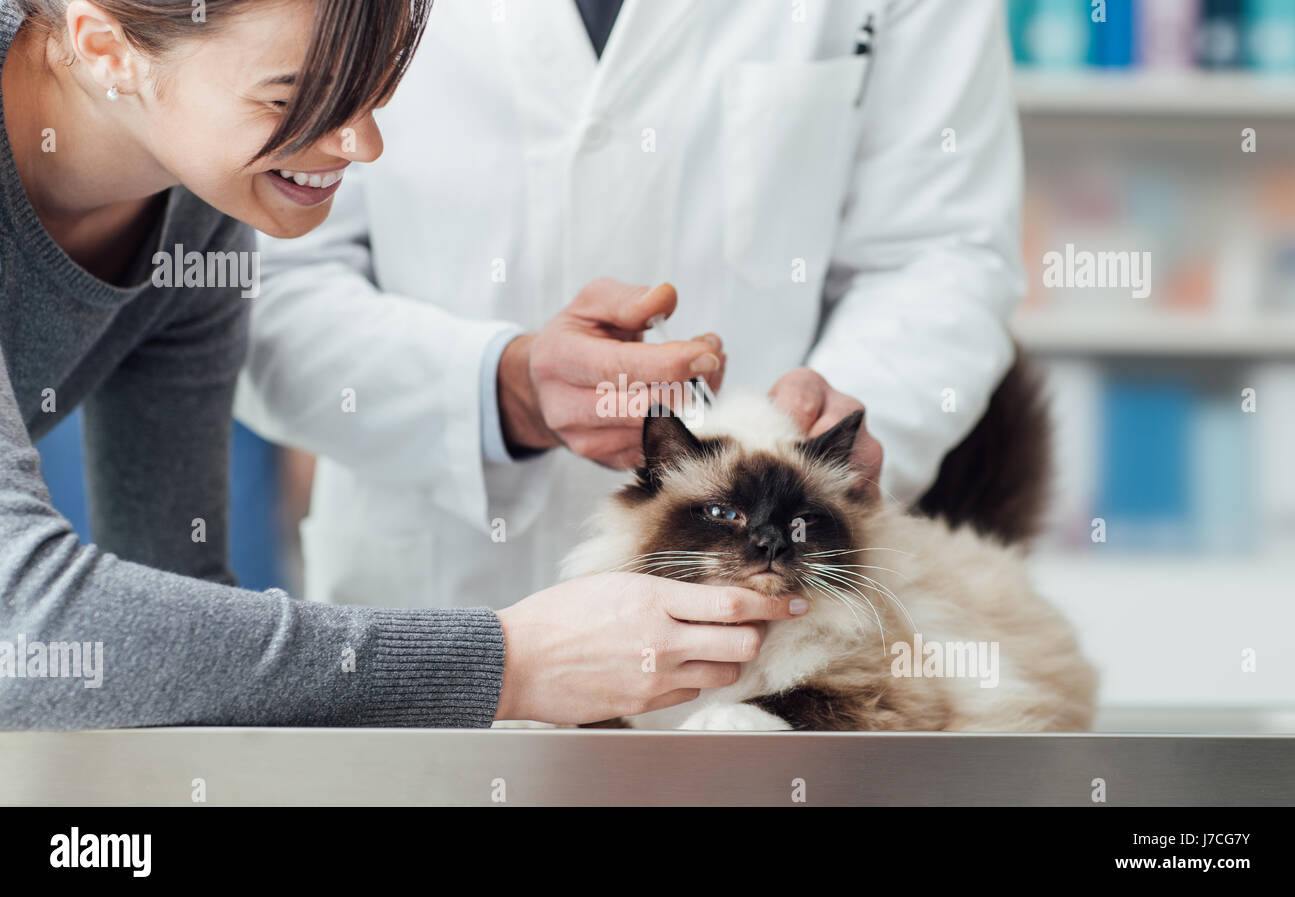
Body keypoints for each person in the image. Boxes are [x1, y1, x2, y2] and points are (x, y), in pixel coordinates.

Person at [0, 0, 803, 730]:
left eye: (370, 89)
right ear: (105, 47)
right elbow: (23, 627)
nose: (362, 143)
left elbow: (177, 601)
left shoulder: (196, 222)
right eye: (292, 100)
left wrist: (516, 391)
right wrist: (506, 663)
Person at [236, 0, 1025, 610]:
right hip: (433, 598)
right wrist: (497, 388)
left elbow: (941, 249)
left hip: (769, 613)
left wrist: (820, 443)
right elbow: (265, 283)